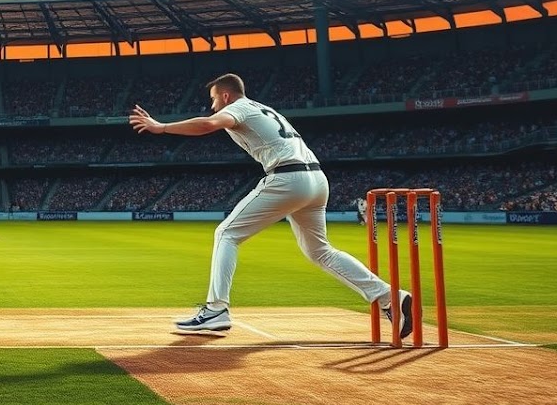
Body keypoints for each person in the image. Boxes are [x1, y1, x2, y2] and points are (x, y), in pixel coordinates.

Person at [128, 73, 410, 337]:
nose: (212, 106)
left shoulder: (238, 108)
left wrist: (160, 127)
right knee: (321, 252)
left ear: (226, 96)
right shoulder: (261, 108)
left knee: (227, 234)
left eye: (214, 99)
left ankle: (216, 309)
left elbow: (208, 124)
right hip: (316, 179)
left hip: (288, 178)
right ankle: (391, 297)